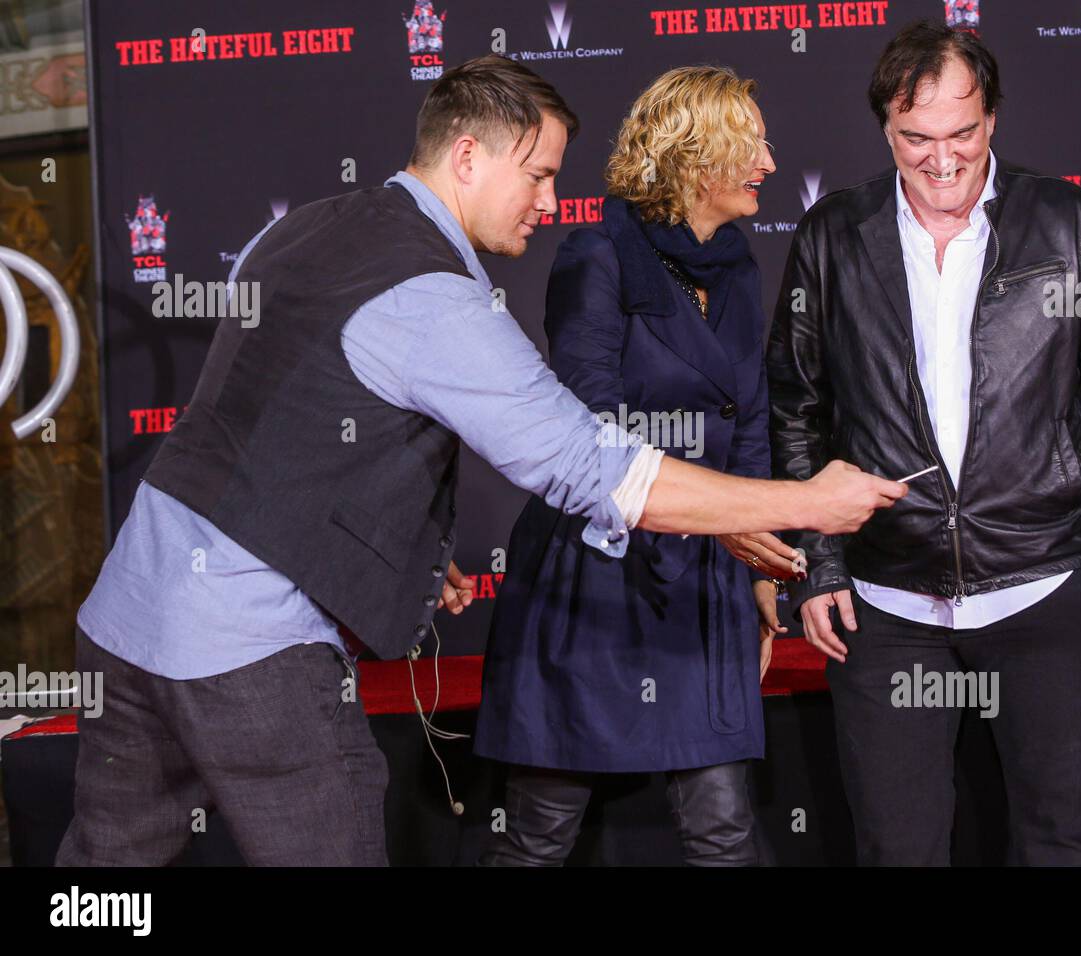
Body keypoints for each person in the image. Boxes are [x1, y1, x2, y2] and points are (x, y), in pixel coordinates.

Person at [56, 55, 903, 867]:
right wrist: (802, 501)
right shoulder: (434, 299)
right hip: (246, 647)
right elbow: (593, 469)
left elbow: (281, 432)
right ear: (467, 155)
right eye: (536, 175)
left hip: (130, 614)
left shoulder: (314, 225)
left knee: (106, 873)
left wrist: (403, 556)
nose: (551, 200)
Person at [766, 21, 1081, 865]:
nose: (942, 159)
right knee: (897, 848)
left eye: (962, 132)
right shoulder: (831, 237)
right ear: (886, 126)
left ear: (992, 118)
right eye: (917, 137)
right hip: (884, 600)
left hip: (1040, 584)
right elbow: (796, 411)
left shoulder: (1070, 227)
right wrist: (819, 562)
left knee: (1063, 840)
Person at [475, 66, 794, 866]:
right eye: (751, 145)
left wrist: (758, 563)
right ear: (697, 157)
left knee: (725, 830)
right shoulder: (597, 254)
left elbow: (748, 419)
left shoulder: (737, 264)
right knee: (540, 835)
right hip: (599, 573)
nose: (769, 164)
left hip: (710, 569)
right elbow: (593, 426)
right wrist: (688, 517)